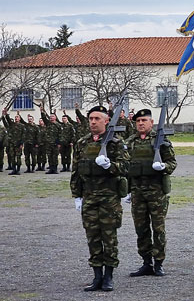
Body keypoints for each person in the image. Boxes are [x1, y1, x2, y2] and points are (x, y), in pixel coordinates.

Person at [70, 105, 130, 292]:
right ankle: (97, 276)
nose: (93, 122)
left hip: (108, 198)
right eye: (91, 119)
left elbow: (127, 167)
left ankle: (109, 277)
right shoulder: (82, 143)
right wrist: (76, 195)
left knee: (109, 237)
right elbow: (76, 171)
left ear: (106, 121)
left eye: (97, 118)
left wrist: (110, 165)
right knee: (92, 237)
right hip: (89, 197)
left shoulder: (115, 143)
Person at [125, 109, 177, 278]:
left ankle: (159, 263)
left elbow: (172, 162)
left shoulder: (160, 140)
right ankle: (146, 262)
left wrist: (163, 167)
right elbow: (125, 165)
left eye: (144, 120)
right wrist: (126, 189)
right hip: (137, 191)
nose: (140, 123)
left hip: (156, 192)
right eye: (138, 120)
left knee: (158, 228)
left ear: (151, 122)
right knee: (141, 228)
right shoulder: (130, 142)